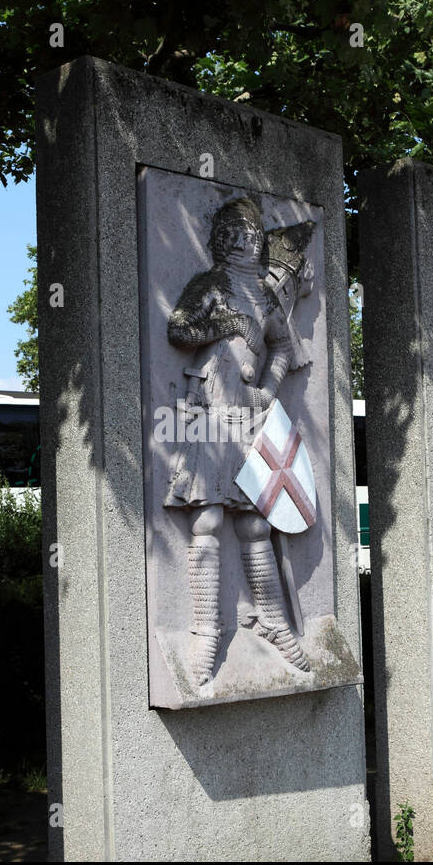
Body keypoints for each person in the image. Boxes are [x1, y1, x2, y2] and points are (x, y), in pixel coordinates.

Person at [163, 197, 312, 686]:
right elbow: (179, 328)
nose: (241, 240)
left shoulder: (265, 295)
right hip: (210, 412)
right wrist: (225, 323)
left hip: (249, 414)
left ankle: (272, 619)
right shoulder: (211, 284)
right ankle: (206, 630)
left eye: (249, 233)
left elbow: (283, 346)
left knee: (254, 524)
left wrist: (269, 388)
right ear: (220, 239)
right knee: (206, 519)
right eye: (232, 233)